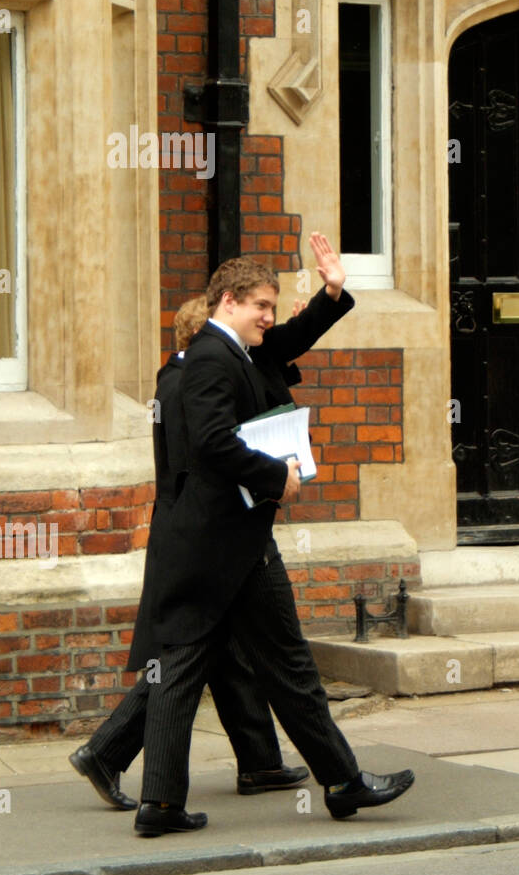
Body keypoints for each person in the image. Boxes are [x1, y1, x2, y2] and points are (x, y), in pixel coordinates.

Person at [134, 236, 414, 835]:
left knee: (180, 669)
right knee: (289, 666)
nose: (270, 317)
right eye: (262, 305)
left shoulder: (234, 350)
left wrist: (332, 292)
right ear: (230, 300)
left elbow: (291, 339)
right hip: (232, 545)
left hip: (209, 545)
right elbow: (212, 442)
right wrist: (275, 475)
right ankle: (342, 782)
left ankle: (159, 804)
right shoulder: (213, 357)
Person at [70, 296, 307, 809]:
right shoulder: (186, 382)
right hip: (206, 538)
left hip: (216, 537)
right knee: (187, 658)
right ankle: (113, 754)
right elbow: (214, 454)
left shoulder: (183, 377)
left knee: (210, 655)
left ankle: (256, 761)